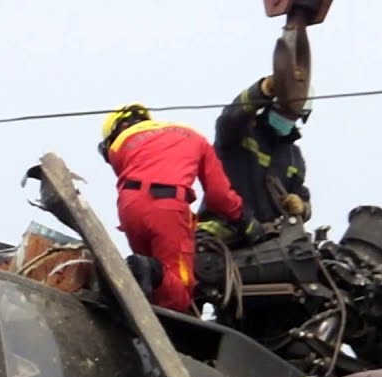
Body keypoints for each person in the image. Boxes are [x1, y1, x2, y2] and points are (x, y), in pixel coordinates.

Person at [98, 103, 262, 313]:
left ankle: (133, 280)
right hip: (168, 208)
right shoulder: (194, 136)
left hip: (129, 208)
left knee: (152, 284)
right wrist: (245, 220)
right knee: (180, 294)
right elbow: (218, 195)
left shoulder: (119, 146)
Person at [198, 76, 311, 247]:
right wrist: (262, 90)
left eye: (293, 114)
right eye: (284, 110)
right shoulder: (240, 133)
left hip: (263, 242)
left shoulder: (294, 159)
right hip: (220, 234)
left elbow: (302, 198)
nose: (288, 117)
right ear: (270, 106)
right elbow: (229, 118)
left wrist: (302, 207)